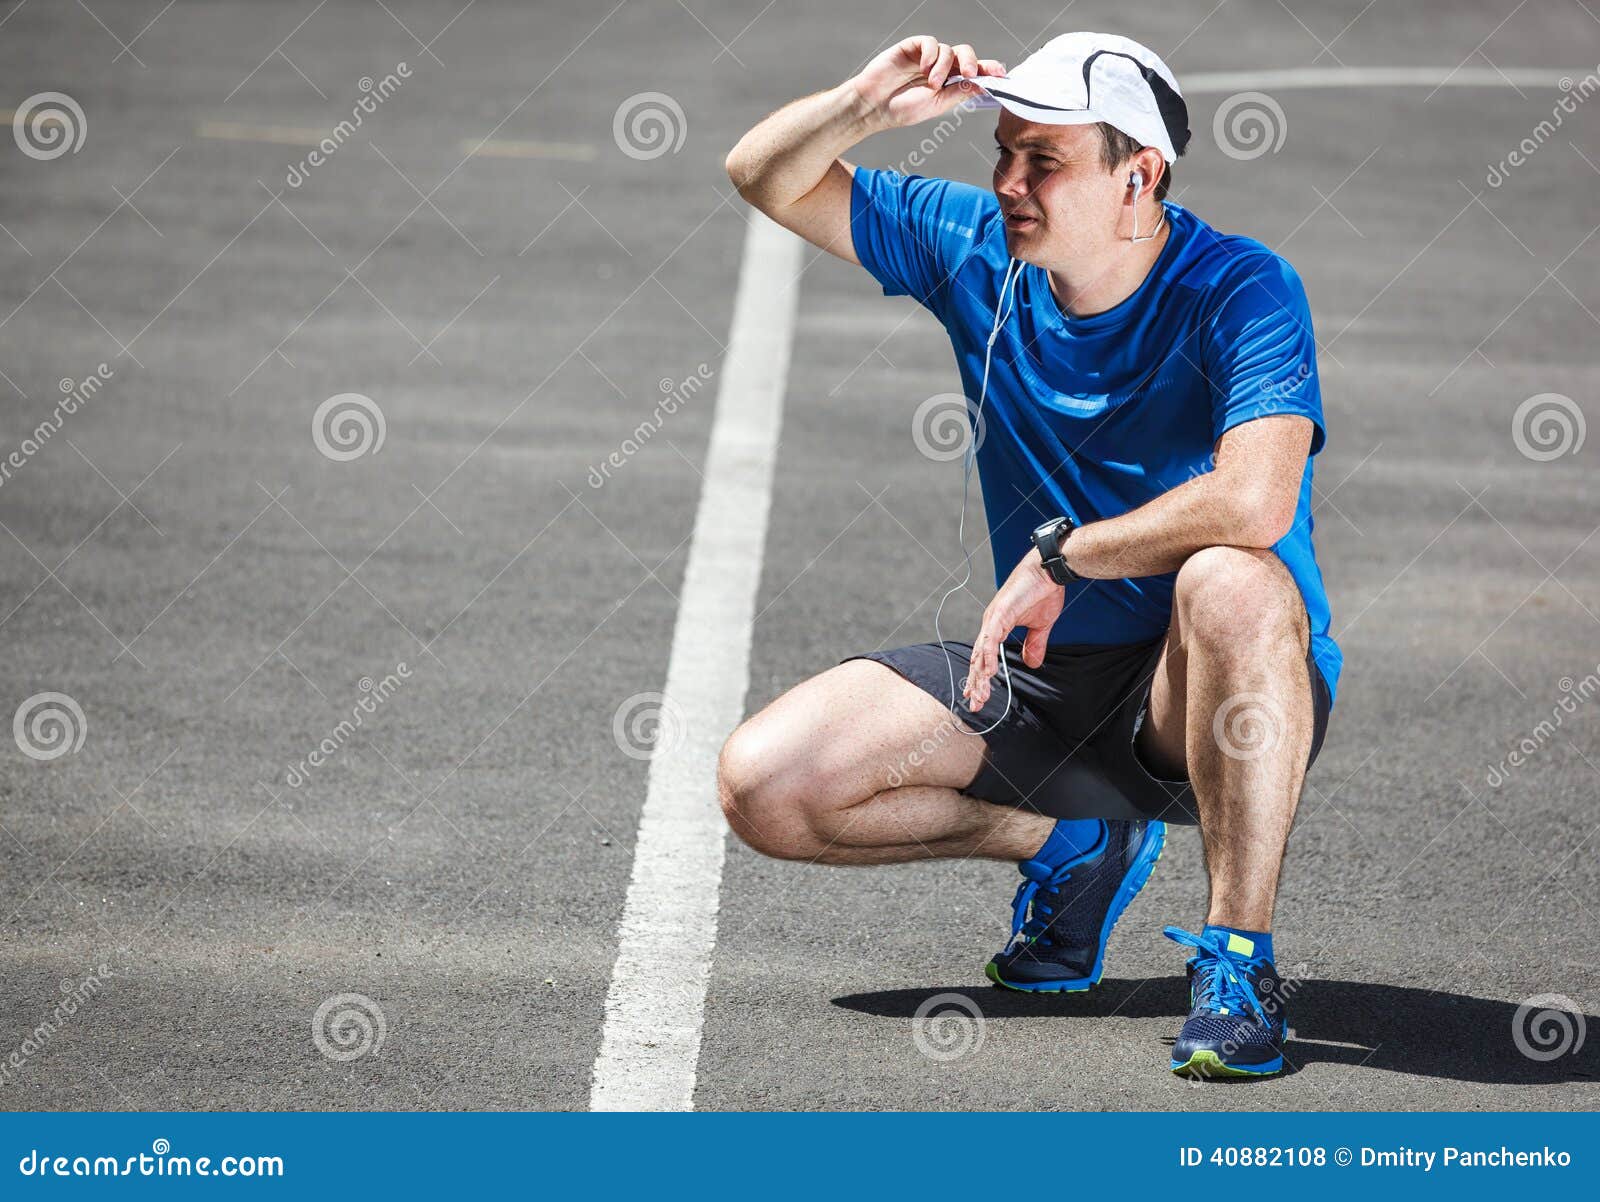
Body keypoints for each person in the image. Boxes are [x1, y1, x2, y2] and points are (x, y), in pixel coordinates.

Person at [719, 30, 1339, 1079]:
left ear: (1135, 175)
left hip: (1203, 698)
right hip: (1043, 683)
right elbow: (762, 175)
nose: (1007, 181)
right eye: (1002, 153)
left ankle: (1235, 962)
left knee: (1231, 578)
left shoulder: (1240, 288)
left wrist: (1067, 556)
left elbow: (1256, 498)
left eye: (1042, 161)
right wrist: (865, 103)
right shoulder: (971, 249)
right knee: (767, 786)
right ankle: (1067, 845)